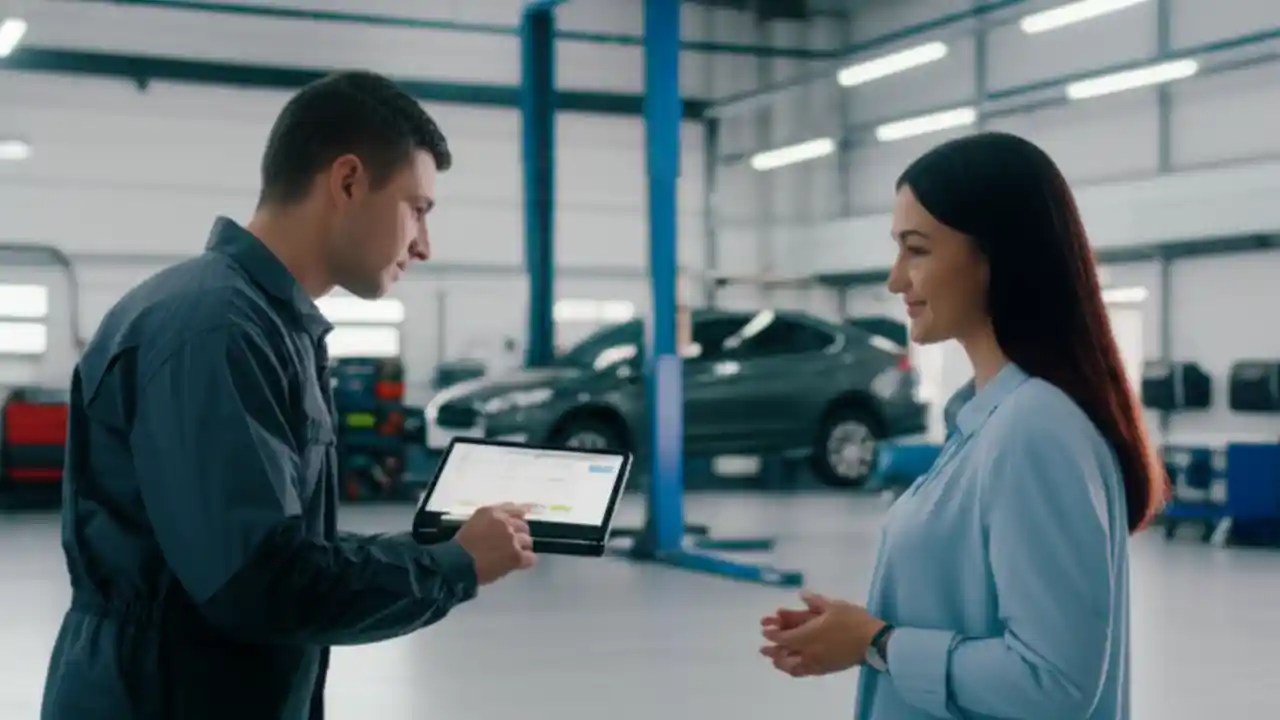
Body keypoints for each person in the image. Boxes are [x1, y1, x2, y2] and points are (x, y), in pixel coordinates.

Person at [40, 71, 538, 720]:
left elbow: (278, 554)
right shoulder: (216, 328)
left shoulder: (265, 324)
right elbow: (259, 585)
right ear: (349, 181)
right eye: (417, 208)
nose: (423, 244)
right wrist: (452, 566)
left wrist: (440, 548)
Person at [758, 132, 1166, 719]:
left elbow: (1054, 684)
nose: (896, 279)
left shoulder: (1034, 429)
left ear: (996, 259)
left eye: (917, 250)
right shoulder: (983, 419)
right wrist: (856, 638)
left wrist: (877, 643)